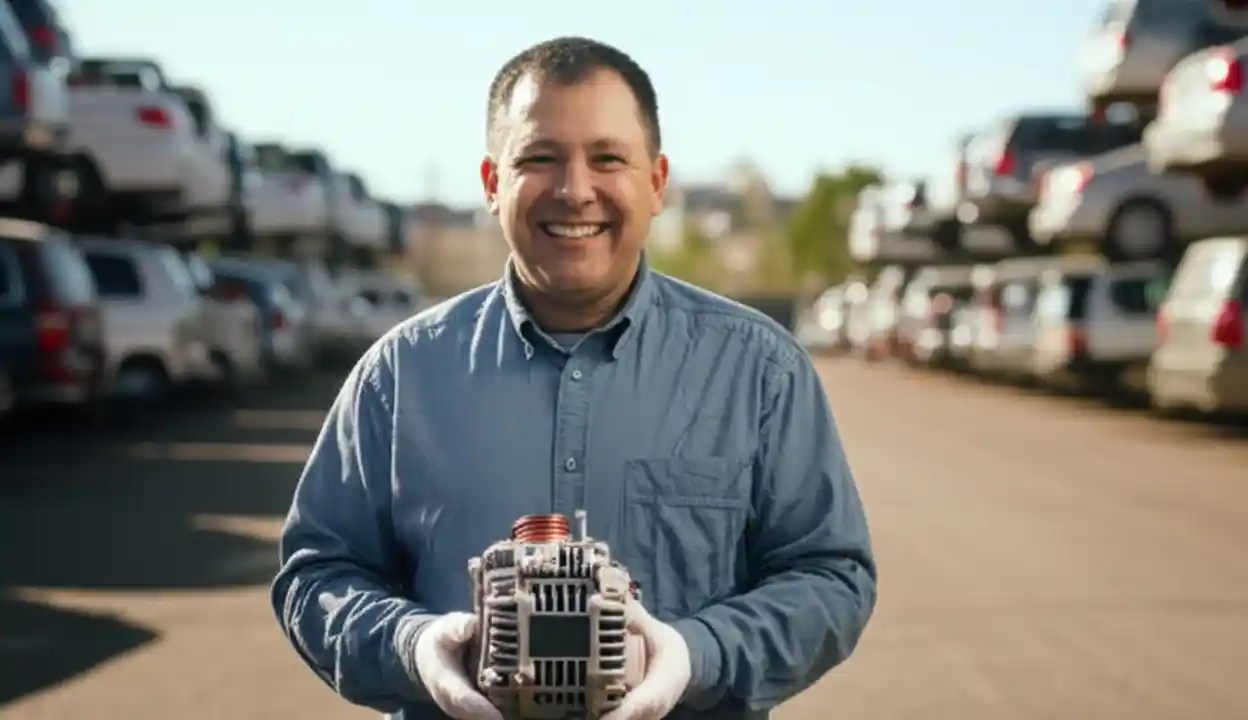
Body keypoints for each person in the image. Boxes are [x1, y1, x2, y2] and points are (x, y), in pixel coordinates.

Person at [270, 35, 877, 720]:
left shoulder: (760, 371)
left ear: (656, 182)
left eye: (608, 157)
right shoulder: (400, 376)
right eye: (540, 158)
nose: (575, 190)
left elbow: (830, 577)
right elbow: (316, 575)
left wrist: (694, 654)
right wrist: (413, 646)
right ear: (493, 184)